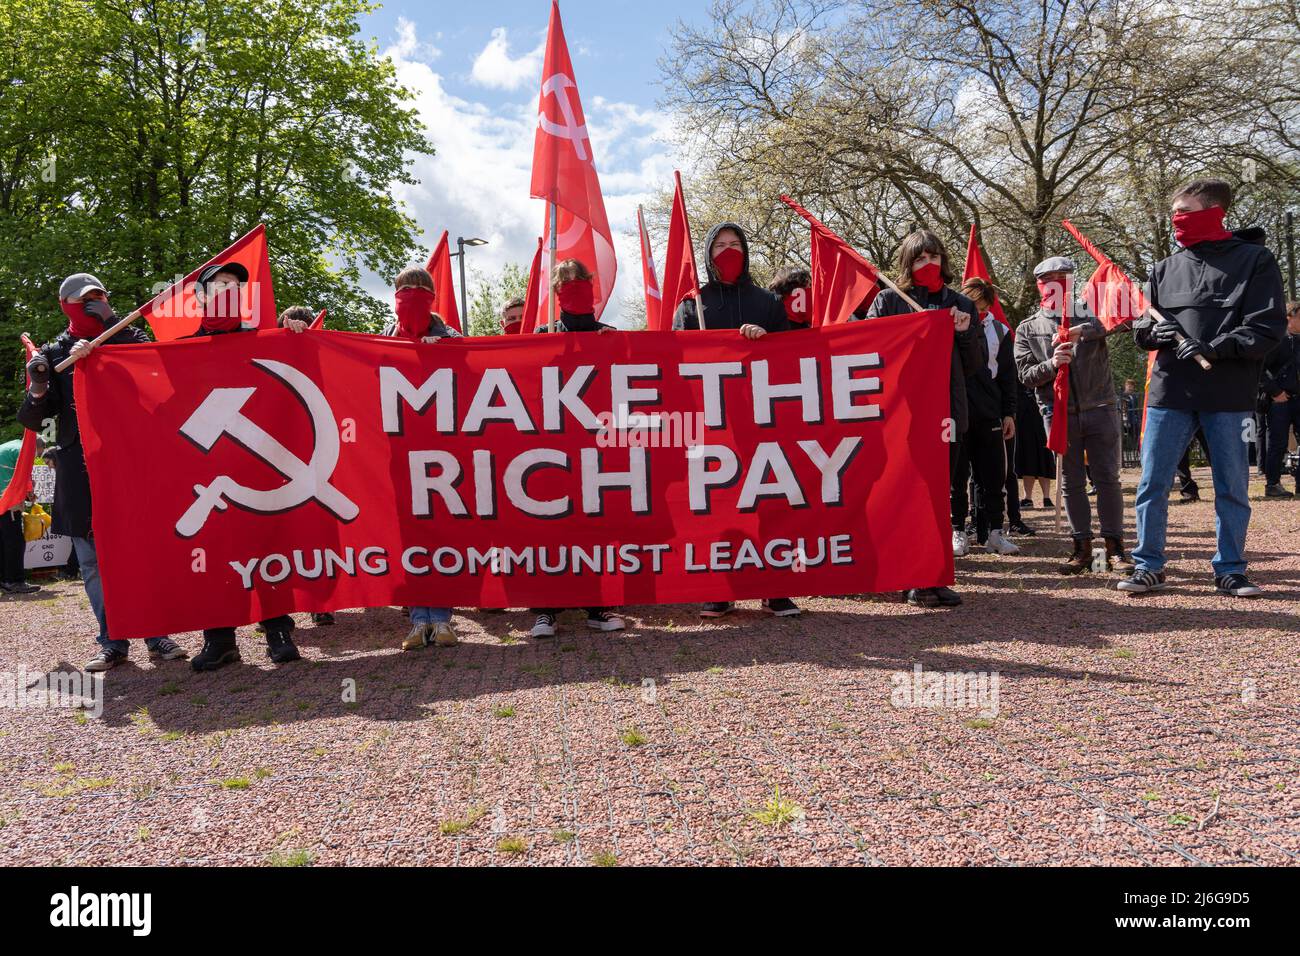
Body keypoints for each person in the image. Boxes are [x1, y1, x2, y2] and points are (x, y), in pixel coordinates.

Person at [1121, 178, 1286, 597]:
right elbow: (1143, 321)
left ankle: (1230, 568)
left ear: (1215, 211)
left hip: (1228, 395)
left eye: (1185, 211)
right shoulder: (1162, 268)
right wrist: (1150, 335)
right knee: (1153, 483)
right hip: (1168, 392)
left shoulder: (1256, 261)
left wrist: (1217, 345)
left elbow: (1267, 328)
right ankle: (1148, 565)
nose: (1176, 220)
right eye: (1173, 213)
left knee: (1232, 485)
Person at [17, 273, 187, 670]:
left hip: (130, 461)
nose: (94, 304)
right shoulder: (56, 350)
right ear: (67, 306)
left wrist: (112, 326)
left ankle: (157, 636)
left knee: (139, 553)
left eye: (100, 298)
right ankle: (113, 641)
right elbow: (32, 418)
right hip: (80, 469)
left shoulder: (127, 334)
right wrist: (40, 384)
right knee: (91, 560)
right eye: (86, 300)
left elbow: (160, 367)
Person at [674, 221, 800, 617]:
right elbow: (675, 359)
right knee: (720, 502)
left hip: (761, 419)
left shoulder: (767, 302)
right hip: (713, 421)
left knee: (767, 499)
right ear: (709, 256)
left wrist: (768, 341)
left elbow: (793, 355)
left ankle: (773, 585)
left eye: (735, 245)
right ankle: (720, 586)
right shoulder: (692, 305)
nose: (728, 252)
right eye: (720, 246)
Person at [856, 229, 983, 608]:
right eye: (919, 259)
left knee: (938, 494)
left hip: (946, 411)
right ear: (907, 265)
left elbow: (974, 365)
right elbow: (872, 354)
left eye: (933, 257)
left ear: (943, 260)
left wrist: (962, 333)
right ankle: (906, 573)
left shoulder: (962, 305)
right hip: (900, 416)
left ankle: (933, 575)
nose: (928, 265)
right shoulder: (888, 302)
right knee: (903, 494)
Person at [187, 266, 306, 670]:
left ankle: (278, 633)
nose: (227, 293)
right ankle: (219, 640)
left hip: (258, 468)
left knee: (267, 549)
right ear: (201, 297)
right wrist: (96, 358)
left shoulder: (264, 340)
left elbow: (298, 377)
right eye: (219, 287)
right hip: (208, 471)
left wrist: (295, 333)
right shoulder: (179, 351)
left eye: (235, 288)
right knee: (215, 556)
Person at [528, 259, 627, 638]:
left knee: (596, 527)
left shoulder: (609, 334)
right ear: (556, 293)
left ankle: (598, 606)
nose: (574, 287)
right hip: (551, 446)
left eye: (579, 281)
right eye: (565, 282)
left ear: (591, 287)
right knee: (551, 527)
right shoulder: (543, 333)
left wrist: (616, 348)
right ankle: (546, 609)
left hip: (597, 446)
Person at [1014, 256, 1132, 574]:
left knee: (1108, 479)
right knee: (1071, 483)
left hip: (1101, 406)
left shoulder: (1092, 313)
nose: (1057, 284)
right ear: (1039, 285)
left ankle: (1114, 549)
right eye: (1050, 279)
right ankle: (1081, 548)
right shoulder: (1028, 328)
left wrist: (1085, 332)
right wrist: (1052, 364)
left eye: (1064, 278)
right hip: (1058, 411)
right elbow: (1025, 375)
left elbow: (1127, 320)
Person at [390, 266, 462, 649]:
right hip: (399, 455)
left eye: (420, 288)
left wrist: (449, 354)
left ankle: (444, 618)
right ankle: (420, 620)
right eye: (406, 288)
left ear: (433, 296)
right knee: (411, 537)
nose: (413, 294)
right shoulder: (381, 341)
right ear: (395, 295)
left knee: (442, 534)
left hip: (444, 454)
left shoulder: (453, 338)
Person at [956, 277, 1020, 555]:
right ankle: (957, 531)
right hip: (957, 409)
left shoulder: (1001, 331)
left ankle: (994, 532)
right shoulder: (950, 325)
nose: (976, 312)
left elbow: (1008, 376)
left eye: (981, 307)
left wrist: (1009, 413)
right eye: (971, 305)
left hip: (989, 411)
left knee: (993, 475)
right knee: (956, 476)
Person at [1261, 300, 1300, 496]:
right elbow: (1260, 369)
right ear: (1289, 318)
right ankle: (1273, 484)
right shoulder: (1275, 341)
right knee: (1277, 443)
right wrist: (1275, 392)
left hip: (1298, 399)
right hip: (1280, 400)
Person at [0, 437, 39, 594]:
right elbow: (24, 474)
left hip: (2, 497)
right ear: (37, 448)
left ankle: (4, 579)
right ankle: (15, 580)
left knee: (2, 540)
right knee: (14, 541)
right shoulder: (23, 450)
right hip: (8, 500)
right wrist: (30, 493)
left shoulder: (10, 446)